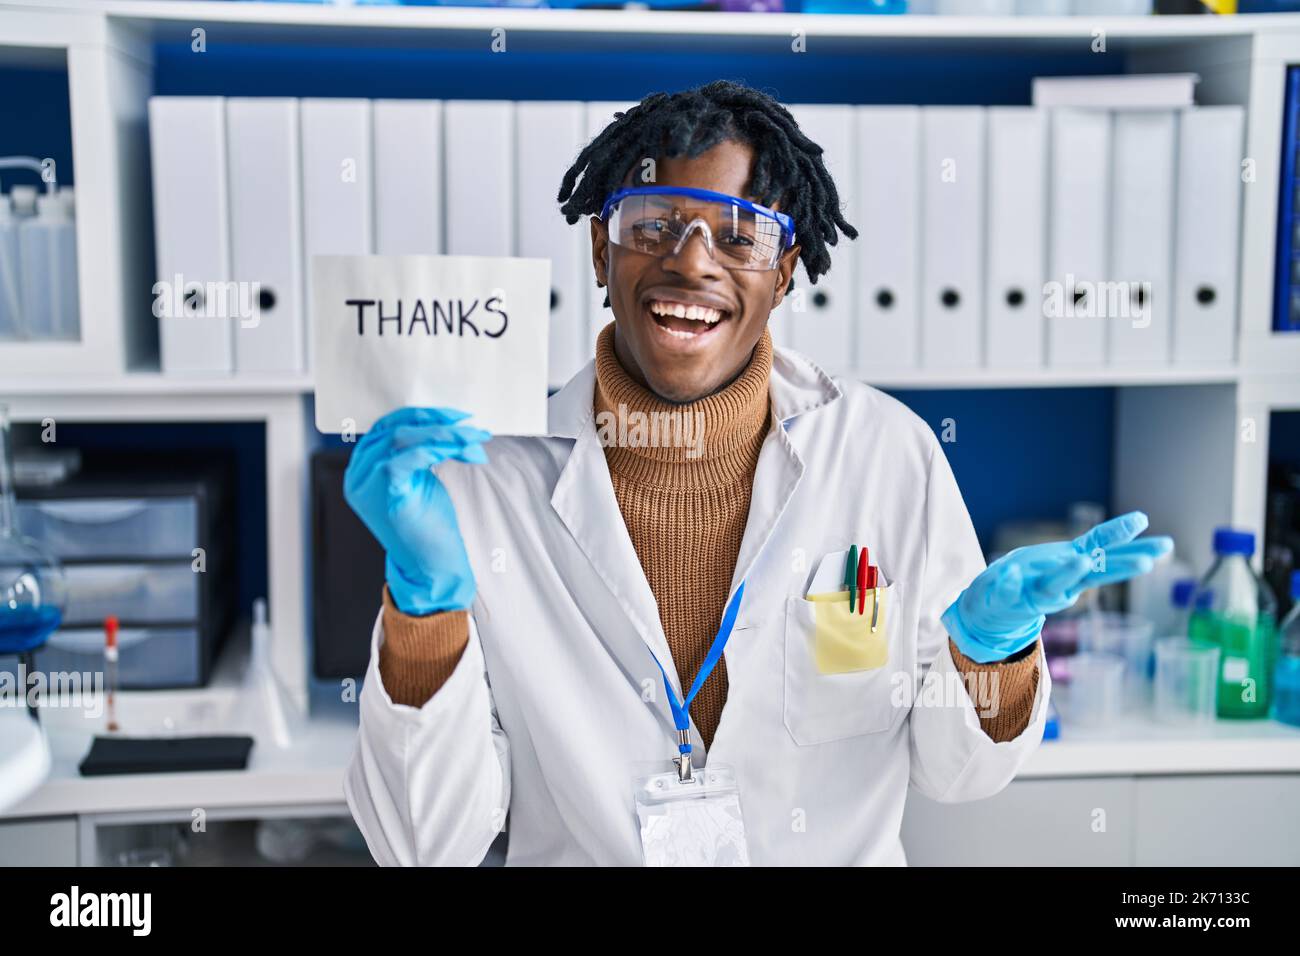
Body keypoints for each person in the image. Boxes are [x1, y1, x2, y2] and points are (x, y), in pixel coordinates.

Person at [342, 81, 1171, 866]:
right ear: (601, 250)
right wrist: (425, 612)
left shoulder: (886, 455)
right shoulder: (488, 486)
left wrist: (992, 653)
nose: (693, 263)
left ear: (782, 274)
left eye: (740, 237)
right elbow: (425, 845)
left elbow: (960, 773)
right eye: (653, 224)